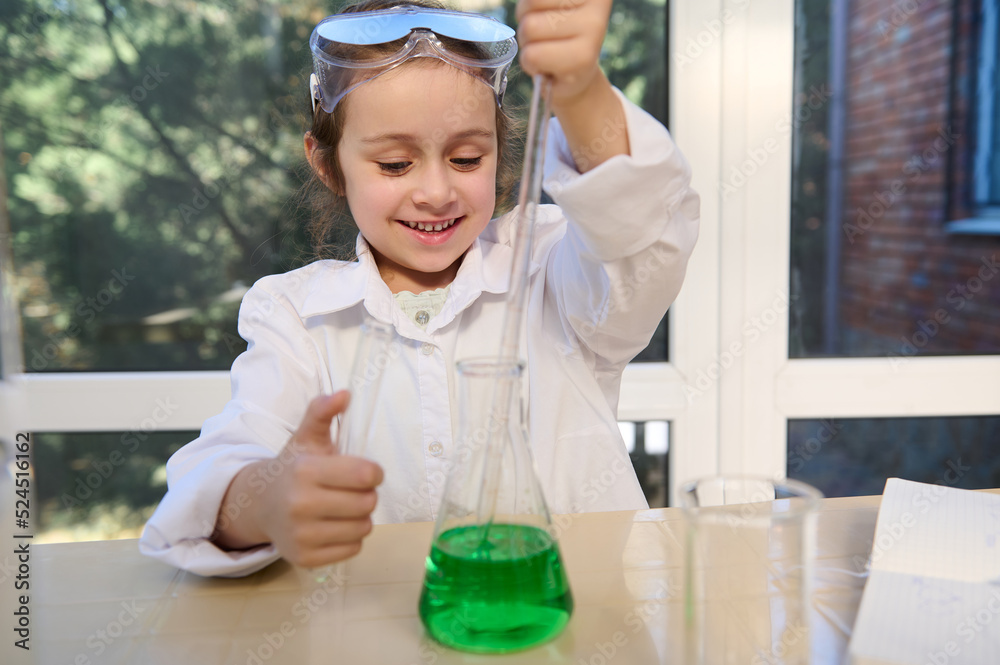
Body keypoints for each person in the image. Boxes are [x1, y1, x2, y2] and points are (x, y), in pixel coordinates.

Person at [139, 0, 699, 577]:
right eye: (395, 164)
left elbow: (639, 238)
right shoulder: (296, 317)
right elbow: (216, 475)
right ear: (329, 165)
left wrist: (580, 92)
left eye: (464, 157)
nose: (435, 191)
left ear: (498, 153)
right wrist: (268, 500)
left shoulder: (551, 265)